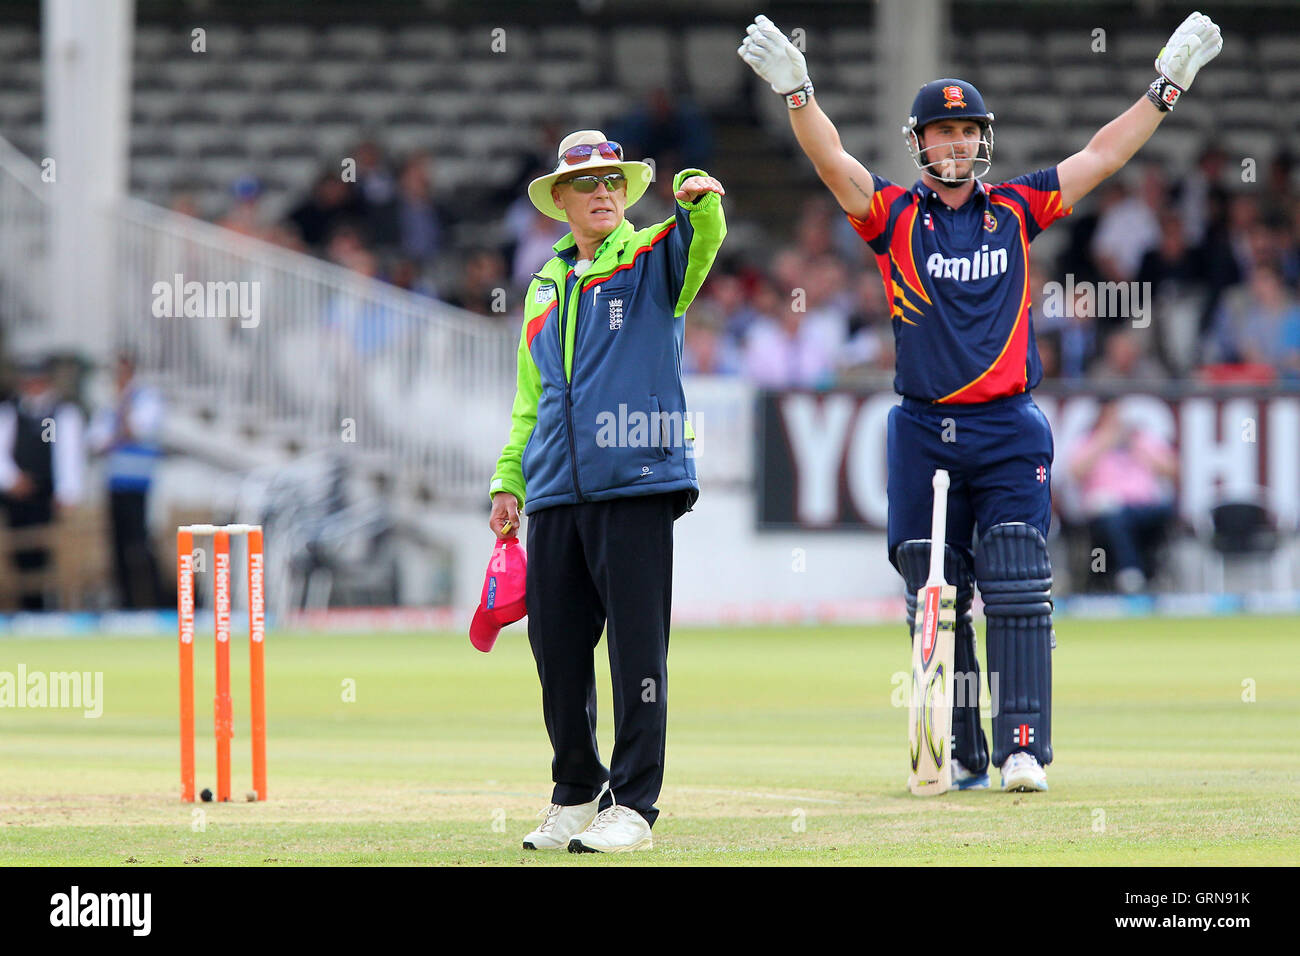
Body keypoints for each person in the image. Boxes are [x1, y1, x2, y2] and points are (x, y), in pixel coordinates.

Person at [739, 11, 1221, 792]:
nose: (959, 144)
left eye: (969, 131)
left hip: (1008, 426)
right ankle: (958, 747)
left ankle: (1022, 746)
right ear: (921, 143)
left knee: (1018, 580)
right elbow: (834, 164)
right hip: (922, 429)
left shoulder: (1018, 209)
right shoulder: (895, 217)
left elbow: (1102, 154)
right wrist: (799, 93)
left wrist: (1164, 90)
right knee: (935, 589)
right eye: (945, 133)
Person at [487, 130, 725, 852]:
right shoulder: (544, 284)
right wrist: (509, 480)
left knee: (635, 651)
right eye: (587, 184)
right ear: (559, 199)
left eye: (614, 183)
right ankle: (574, 789)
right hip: (557, 490)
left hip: (637, 482)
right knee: (555, 647)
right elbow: (531, 400)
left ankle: (635, 805)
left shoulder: (655, 255)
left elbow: (704, 237)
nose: (602, 193)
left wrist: (698, 196)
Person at [0, 356, 86, 609]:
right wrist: (13, 480)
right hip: (16, 495)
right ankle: (27, 605)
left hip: (46, 495)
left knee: (49, 552)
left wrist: (68, 492)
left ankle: (52, 606)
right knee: (20, 553)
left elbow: (68, 454)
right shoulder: (10, 412)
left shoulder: (61, 414)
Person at [1065, 399, 1177, 594]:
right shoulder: (1091, 441)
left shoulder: (1140, 440)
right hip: (1107, 513)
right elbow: (1075, 472)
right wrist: (1104, 442)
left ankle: (1142, 572)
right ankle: (1130, 574)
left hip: (1143, 508)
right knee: (1116, 519)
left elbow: (1172, 469)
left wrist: (1139, 448)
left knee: (1164, 510)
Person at [87, 353, 165, 608]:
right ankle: (126, 605)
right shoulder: (108, 403)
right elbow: (96, 442)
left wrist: (122, 416)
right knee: (118, 546)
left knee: (142, 544)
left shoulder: (147, 398)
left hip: (142, 486)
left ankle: (155, 601)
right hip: (115, 483)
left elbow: (136, 430)